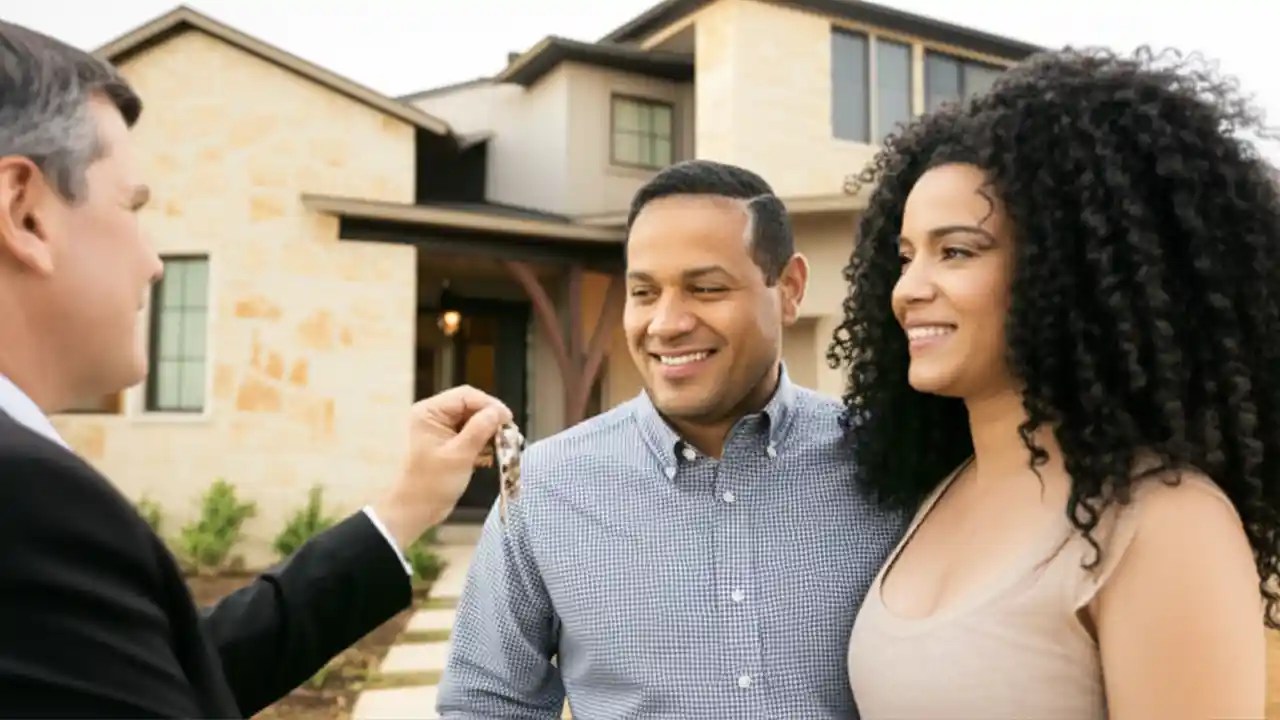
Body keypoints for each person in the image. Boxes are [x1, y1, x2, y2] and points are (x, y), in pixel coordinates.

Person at [0, 19, 513, 718]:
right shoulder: (30, 498)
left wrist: (403, 512)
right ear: (23, 212)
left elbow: (178, 678)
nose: (153, 262)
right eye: (133, 209)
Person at [832, 46, 1280, 720]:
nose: (908, 290)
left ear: (1064, 273)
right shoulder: (940, 494)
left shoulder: (1161, 521)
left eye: (955, 251)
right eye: (905, 256)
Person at [437, 159, 904, 718]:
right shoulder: (543, 488)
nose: (666, 323)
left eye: (705, 288)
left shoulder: (887, 461)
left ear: (790, 288)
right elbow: (487, 703)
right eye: (644, 292)